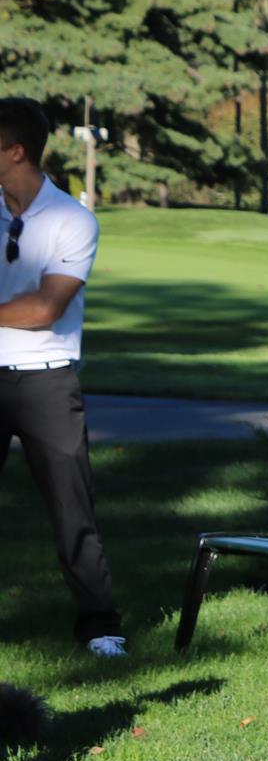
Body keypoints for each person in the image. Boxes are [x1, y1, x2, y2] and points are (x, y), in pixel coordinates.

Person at [0, 98, 123, 657]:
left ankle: (100, 626)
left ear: (16, 151)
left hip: (47, 382)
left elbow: (46, 308)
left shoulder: (73, 219)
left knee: (73, 511)